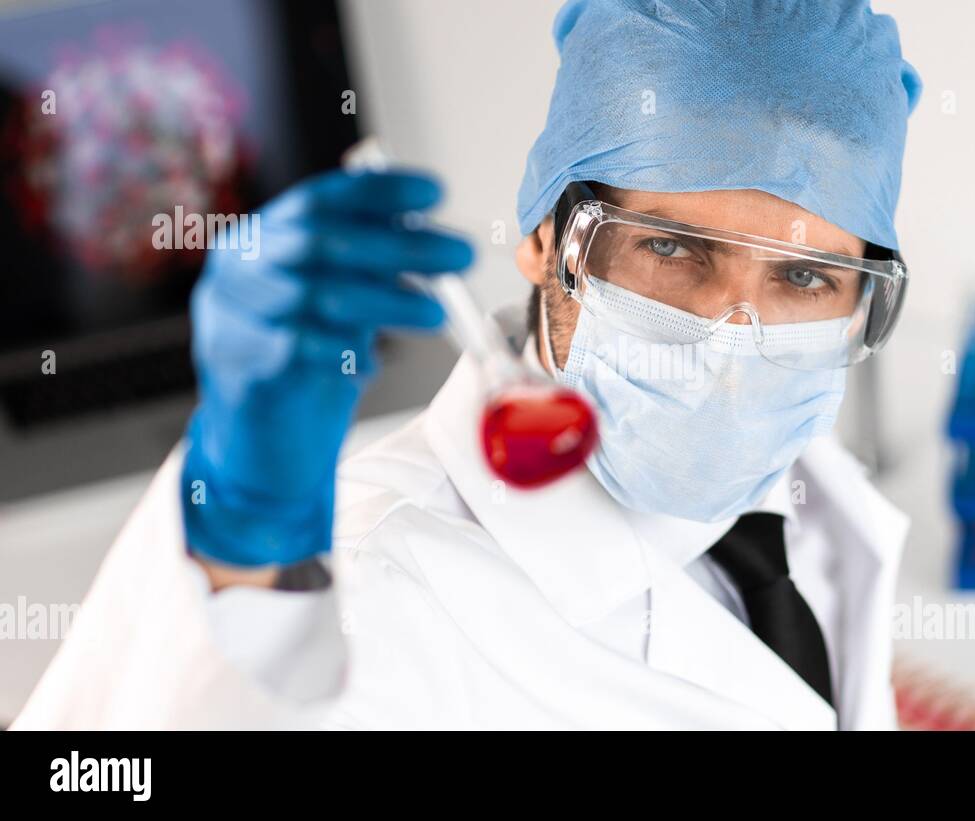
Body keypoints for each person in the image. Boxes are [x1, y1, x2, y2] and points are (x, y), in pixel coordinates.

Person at [15, 0, 920, 730]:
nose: (735, 339)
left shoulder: (792, 486)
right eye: (674, 252)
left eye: (806, 276)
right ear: (543, 239)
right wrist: (242, 541)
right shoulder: (381, 584)